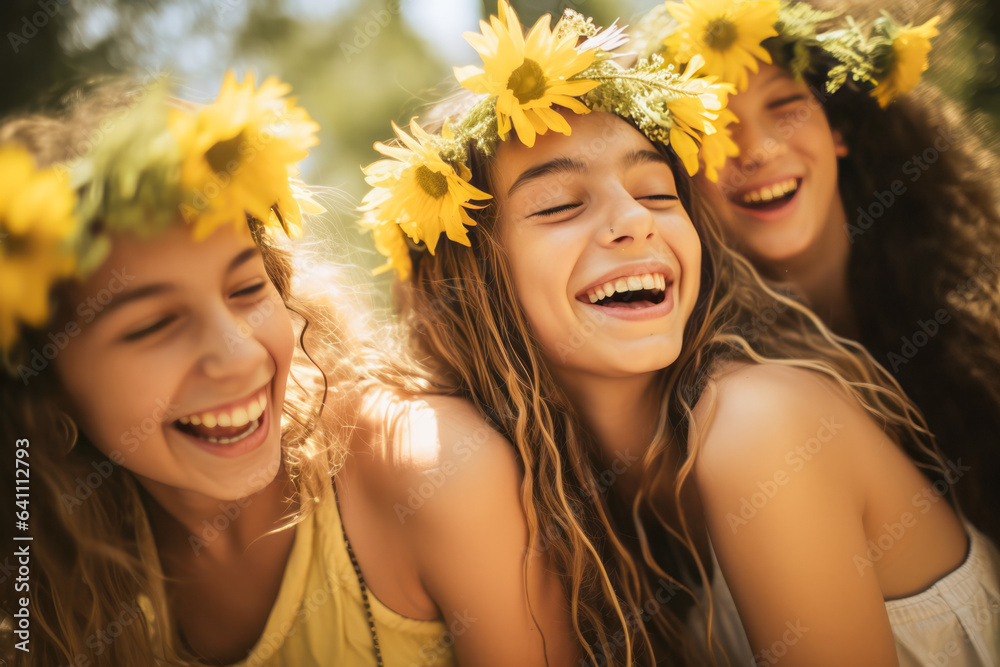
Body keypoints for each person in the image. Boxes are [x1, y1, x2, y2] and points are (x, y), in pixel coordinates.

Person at [359, 2, 1000, 664]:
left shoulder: (760, 427)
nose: (635, 219)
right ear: (470, 277)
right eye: (560, 204)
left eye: (658, 193)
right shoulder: (573, 506)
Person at [0, 72, 572, 667]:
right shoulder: (40, 582)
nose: (241, 356)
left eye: (247, 289)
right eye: (155, 325)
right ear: (47, 384)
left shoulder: (433, 472)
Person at [631, 0, 1000, 542]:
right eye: (716, 124)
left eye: (785, 105)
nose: (758, 149)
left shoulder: (975, 308)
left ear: (838, 130)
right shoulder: (721, 409)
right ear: (678, 176)